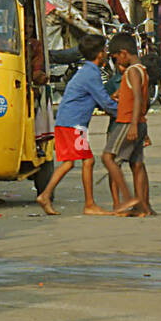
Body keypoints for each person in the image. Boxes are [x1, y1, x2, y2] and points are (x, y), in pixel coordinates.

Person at [35, 34, 116, 216]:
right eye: (104, 50)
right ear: (99, 54)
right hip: (73, 124)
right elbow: (105, 102)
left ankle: (47, 195)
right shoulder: (91, 73)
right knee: (86, 161)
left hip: (67, 122)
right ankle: (86, 204)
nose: (106, 53)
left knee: (71, 162)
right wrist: (126, 114)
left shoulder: (87, 71)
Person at [101, 32, 152, 216]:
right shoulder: (142, 70)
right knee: (137, 163)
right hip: (138, 121)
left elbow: (138, 98)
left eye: (116, 58)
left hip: (127, 122)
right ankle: (143, 207)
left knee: (108, 158)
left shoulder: (132, 71)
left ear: (123, 53)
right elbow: (142, 99)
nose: (116, 63)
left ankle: (127, 198)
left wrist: (133, 124)